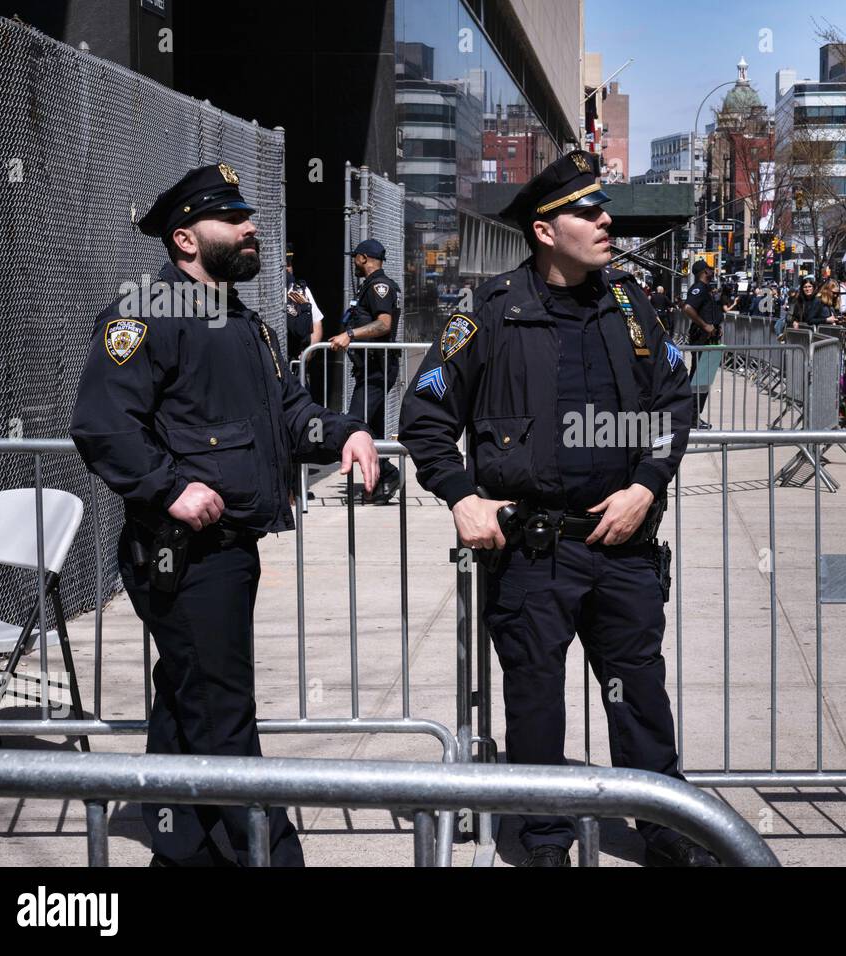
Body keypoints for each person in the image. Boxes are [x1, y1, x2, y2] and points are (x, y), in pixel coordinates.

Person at [398, 150, 714, 868]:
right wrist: (461, 494)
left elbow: (675, 401)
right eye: (588, 211)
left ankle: (666, 828)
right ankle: (543, 838)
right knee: (535, 703)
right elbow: (422, 414)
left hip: (622, 545)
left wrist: (648, 485)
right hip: (533, 555)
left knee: (639, 694)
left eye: (604, 209)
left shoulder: (631, 306)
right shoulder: (488, 311)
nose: (607, 221)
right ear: (545, 231)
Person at [70, 164, 378, 867]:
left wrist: (345, 432)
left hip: (229, 552)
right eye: (232, 218)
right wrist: (167, 487)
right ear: (185, 237)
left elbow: (289, 413)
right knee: (224, 714)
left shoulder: (246, 323)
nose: (251, 227)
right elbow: (101, 423)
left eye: (249, 216)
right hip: (182, 553)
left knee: (189, 705)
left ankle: (181, 851)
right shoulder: (143, 310)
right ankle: (270, 855)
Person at [329, 239, 402, 504]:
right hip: (370, 368)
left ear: (362, 258)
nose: (353, 263)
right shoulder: (368, 287)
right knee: (372, 426)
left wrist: (350, 334)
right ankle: (380, 482)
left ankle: (389, 473)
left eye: (355, 259)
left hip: (378, 369)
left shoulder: (379, 287)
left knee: (355, 423)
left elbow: (383, 324)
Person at [682, 259, 723, 429]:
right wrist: (705, 325)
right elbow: (687, 308)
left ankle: (693, 416)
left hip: (709, 338)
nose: (712, 270)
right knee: (699, 379)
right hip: (701, 339)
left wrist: (715, 327)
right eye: (710, 268)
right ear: (704, 271)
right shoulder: (699, 288)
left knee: (703, 379)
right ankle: (691, 417)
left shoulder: (706, 289)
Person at [284, 242, 324, 361]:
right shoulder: (266, 292)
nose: (287, 268)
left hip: (297, 358)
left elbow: (317, 323)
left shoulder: (301, 289)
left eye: (289, 263)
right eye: (285, 263)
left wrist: (308, 353)